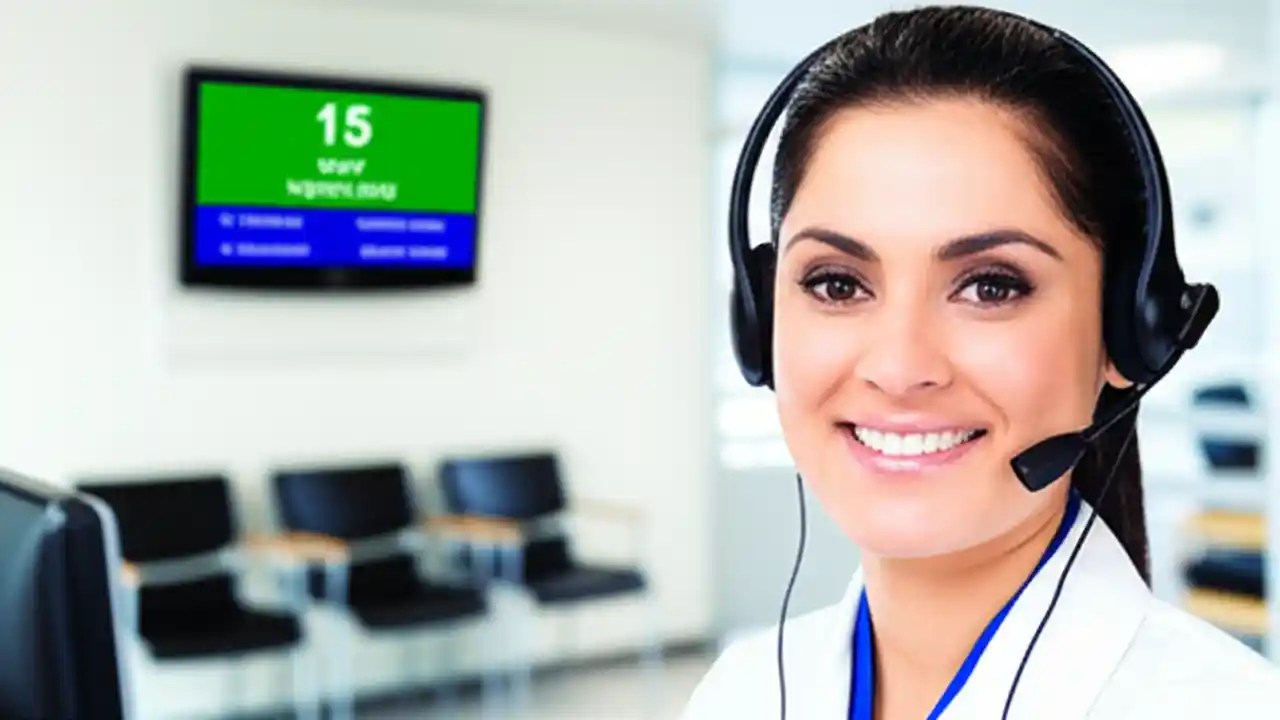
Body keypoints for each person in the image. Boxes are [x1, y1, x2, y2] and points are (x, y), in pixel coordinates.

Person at [683, 5, 1280, 719]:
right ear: (761, 320)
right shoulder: (739, 693)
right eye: (837, 283)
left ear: (1127, 333)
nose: (900, 367)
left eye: (990, 286)